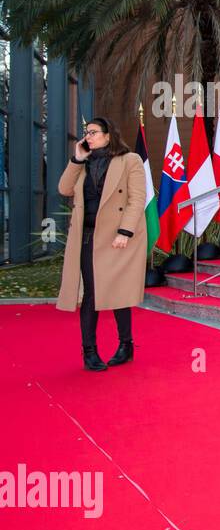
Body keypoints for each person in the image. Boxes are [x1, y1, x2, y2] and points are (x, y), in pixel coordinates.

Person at [56, 116, 148, 371]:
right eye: (86, 132)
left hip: (117, 237)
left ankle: (126, 345)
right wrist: (76, 159)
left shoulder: (130, 160)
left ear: (109, 136)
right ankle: (89, 351)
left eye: (94, 132)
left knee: (118, 292)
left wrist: (125, 232)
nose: (88, 137)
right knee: (92, 295)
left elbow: (137, 199)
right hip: (88, 236)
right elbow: (64, 189)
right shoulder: (83, 164)